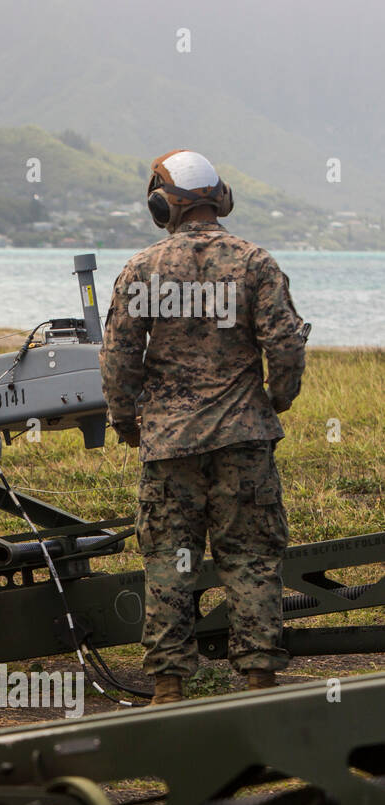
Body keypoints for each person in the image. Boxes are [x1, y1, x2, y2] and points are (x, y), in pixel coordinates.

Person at [100, 149, 307, 705]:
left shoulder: (141, 269)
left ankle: (168, 686)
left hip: (168, 445)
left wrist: (126, 422)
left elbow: (119, 358)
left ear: (160, 205)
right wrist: (276, 401)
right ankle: (260, 679)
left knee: (169, 560)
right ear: (222, 198)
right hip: (245, 440)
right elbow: (284, 344)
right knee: (252, 557)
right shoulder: (255, 262)